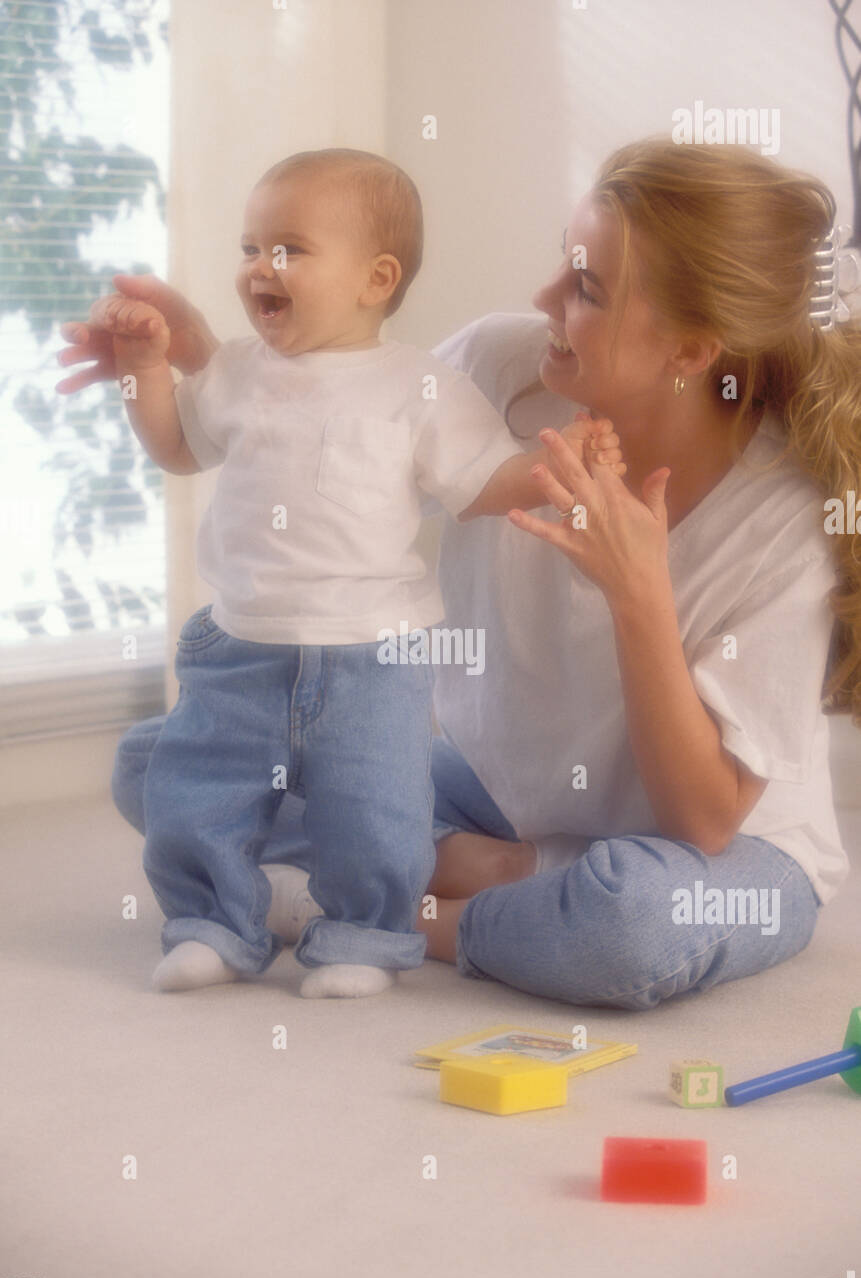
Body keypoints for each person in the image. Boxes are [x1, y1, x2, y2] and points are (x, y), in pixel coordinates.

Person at [59, 137, 861, 1009]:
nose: (543, 297)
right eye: (565, 262)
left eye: (586, 289)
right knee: (159, 761)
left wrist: (639, 595)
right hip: (497, 789)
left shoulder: (782, 513)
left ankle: (358, 913)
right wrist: (191, 361)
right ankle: (475, 875)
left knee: (630, 925)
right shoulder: (495, 366)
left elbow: (703, 820)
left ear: (690, 352)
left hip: (713, 849)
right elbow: (327, 426)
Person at [79, 147, 620, 1000]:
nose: (260, 267)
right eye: (251, 249)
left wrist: (557, 464)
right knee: (195, 791)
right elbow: (177, 448)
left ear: (375, 278)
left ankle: (364, 932)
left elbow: (482, 484)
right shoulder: (237, 374)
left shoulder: (419, 386)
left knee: (377, 803)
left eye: (288, 249)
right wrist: (148, 370)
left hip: (374, 655)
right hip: (240, 647)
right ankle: (213, 922)